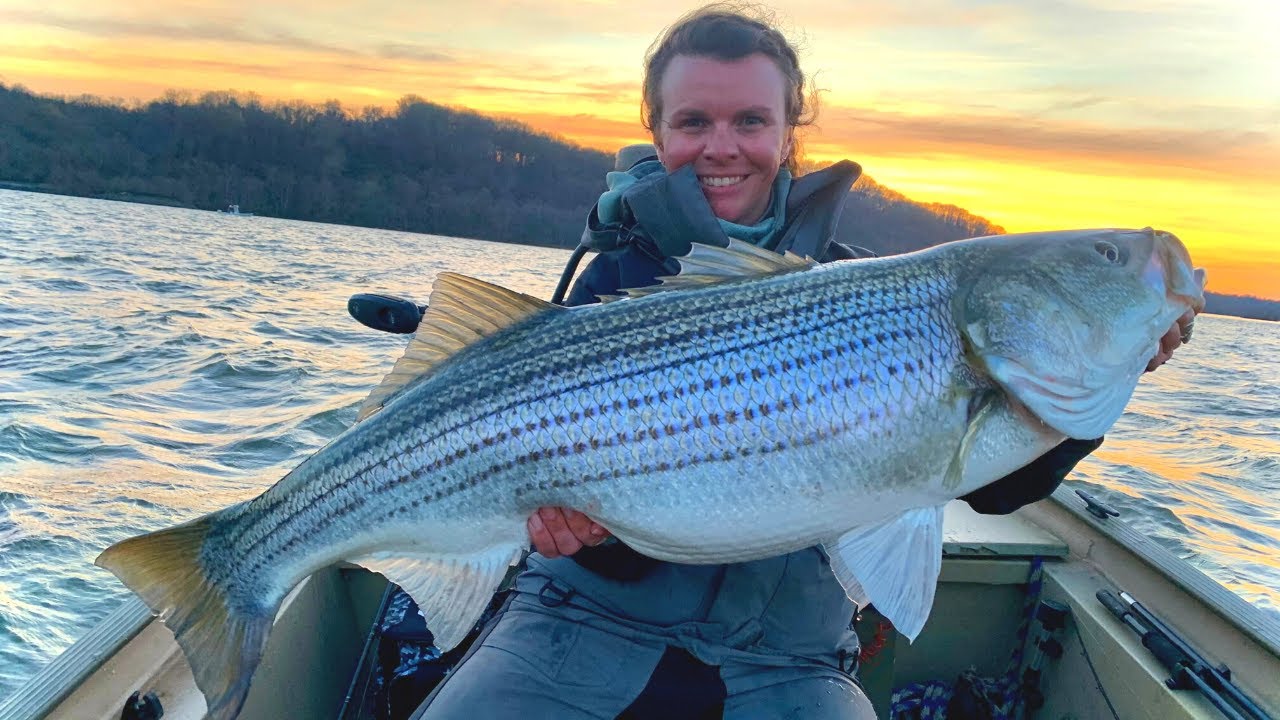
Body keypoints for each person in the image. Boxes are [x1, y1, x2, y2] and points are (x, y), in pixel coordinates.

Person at [409, 5, 1197, 718]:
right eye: (694, 122)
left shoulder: (872, 291)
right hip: (579, 626)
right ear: (657, 132)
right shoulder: (612, 282)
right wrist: (586, 529)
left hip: (788, 657)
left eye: (751, 120)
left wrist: (1108, 377)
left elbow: (992, 488)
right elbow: (603, 512)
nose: (722, 147)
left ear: (790, 131)